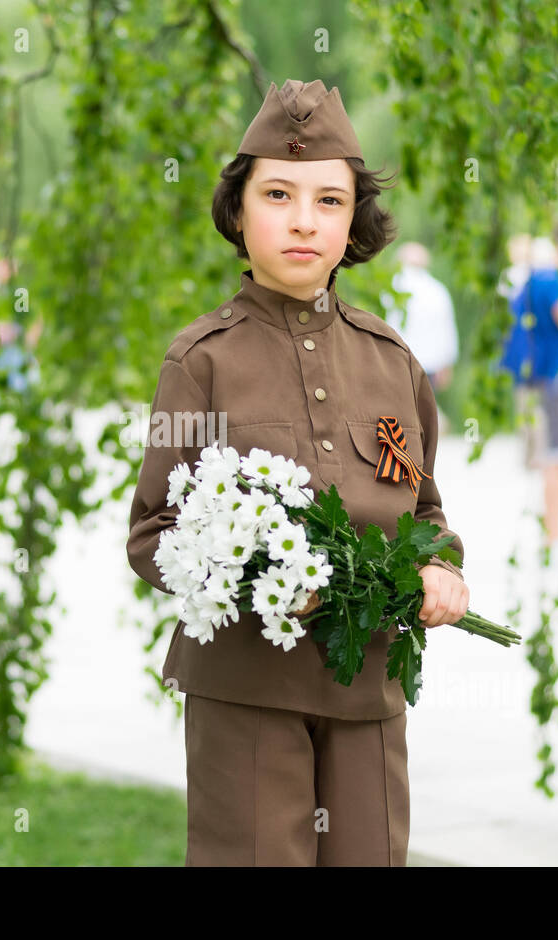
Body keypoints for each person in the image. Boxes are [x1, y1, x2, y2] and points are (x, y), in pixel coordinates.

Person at [126, 79, 468, 866]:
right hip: (246, 691)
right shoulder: (200, 361)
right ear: (239, 211)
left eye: (329, 201)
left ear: (355, 223)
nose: (304, 220)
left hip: (370, 690)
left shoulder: (393, 363)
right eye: (278, 194)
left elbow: (426, 514)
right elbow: (153, 536)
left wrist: (438, 566)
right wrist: (254, 579)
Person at [497, 235, 558, 548]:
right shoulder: (552, 281)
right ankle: (554, 532)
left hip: (534, 376)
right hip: (557, 375)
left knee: (549, 455)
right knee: (557, 457)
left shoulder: (528, 282)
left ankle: (550, 530)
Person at [380, 242, 459, 399]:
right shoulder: (437, 290)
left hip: (395, 362)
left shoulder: (390, 287)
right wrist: (446, 365)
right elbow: (446, 331)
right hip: (428, 365)